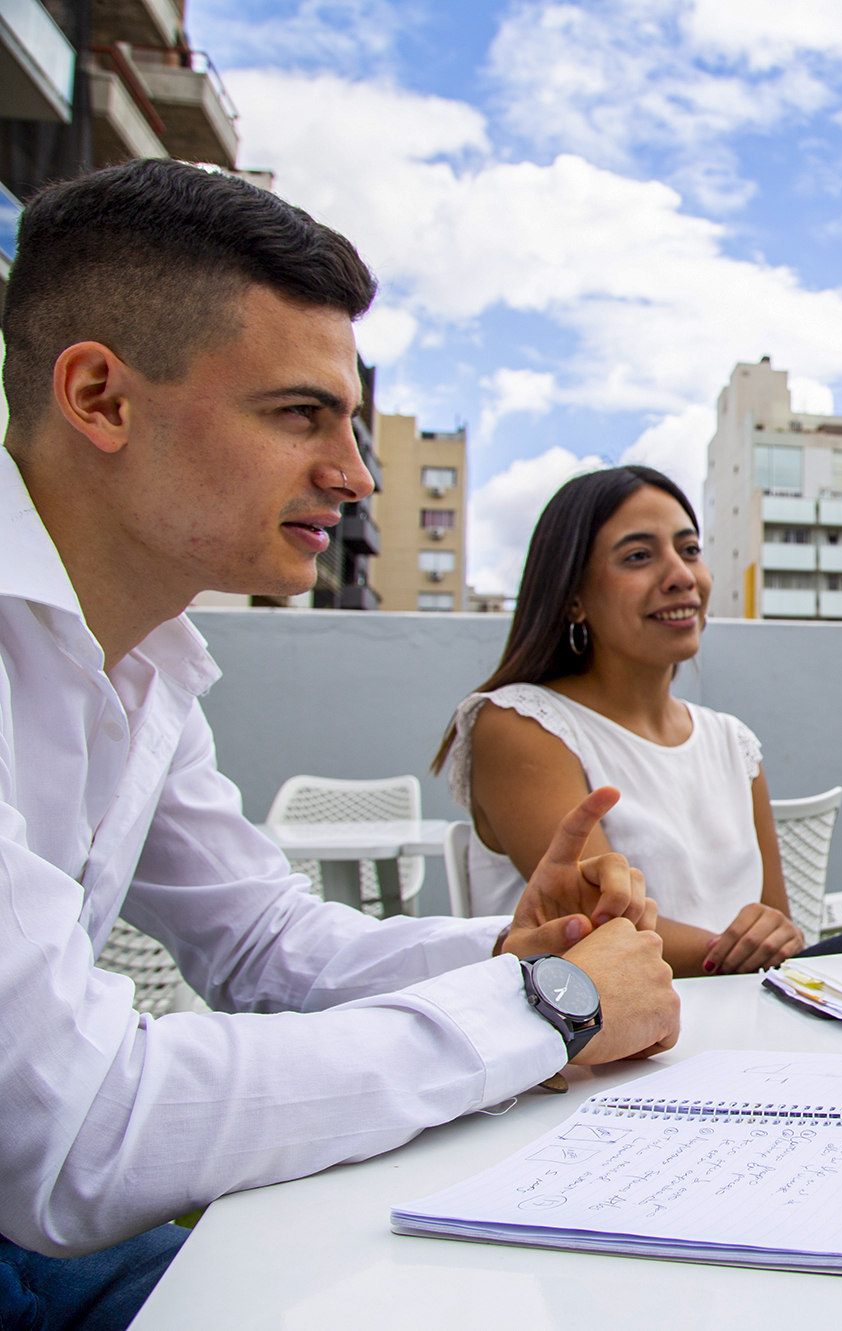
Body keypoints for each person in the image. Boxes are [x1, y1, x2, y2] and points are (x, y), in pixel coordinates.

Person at [0, 159, 680, 1329]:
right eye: (300, 415)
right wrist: (546, 1006)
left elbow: (266, 940)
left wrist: (515, 947)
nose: (355, 476)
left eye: (352, 424)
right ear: (101, 398)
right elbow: (76, 1133)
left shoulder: (148, 662)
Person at [435, 464, 842, 976]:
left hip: (752, 1000)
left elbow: (777, 924)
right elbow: (600, 928)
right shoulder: (519, 723)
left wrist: (772, 937)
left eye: (689, 551)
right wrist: (757, 954)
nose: (681, 577)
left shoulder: (731, 742)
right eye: (637, 557)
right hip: (637, 1016)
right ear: (572, 594)